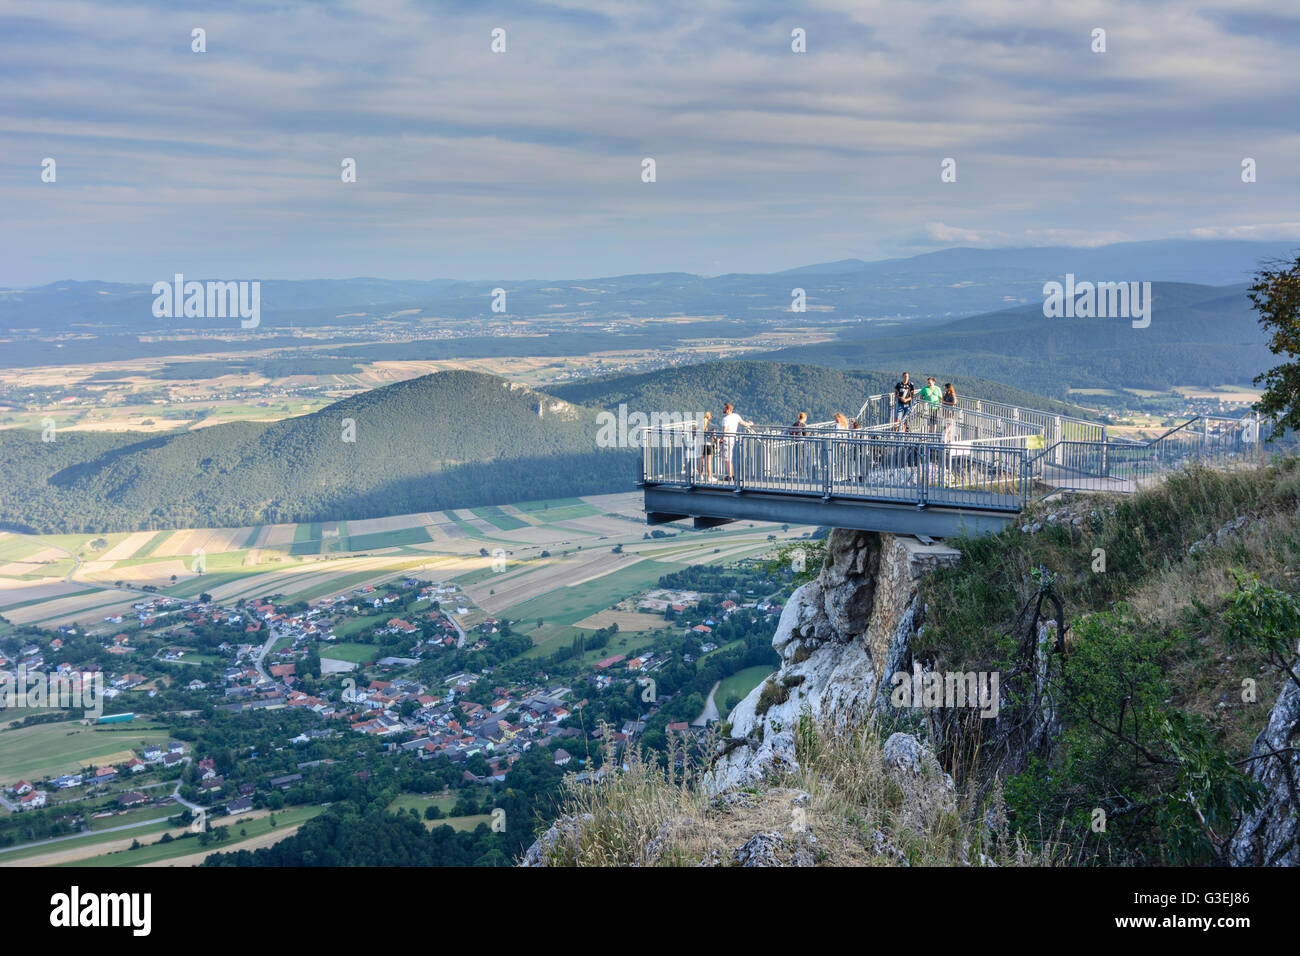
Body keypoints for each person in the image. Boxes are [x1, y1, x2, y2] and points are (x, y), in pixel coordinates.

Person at [720, 402, 753, 481]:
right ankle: (732, 475)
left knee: (727, 459)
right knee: (729, 457)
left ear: (728, 410)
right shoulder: (736, 416)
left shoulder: (725, 419)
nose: (723, 409)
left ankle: (730, 476)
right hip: (732, 440)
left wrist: (721, 439)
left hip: (726, 440)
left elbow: (724, 431)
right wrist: (750, 423)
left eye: (724, 408)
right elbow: (744, 424)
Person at [696, 411, 715, 481]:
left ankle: (700, 476)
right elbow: (714, 436)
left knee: (701, 460)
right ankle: (709, 477)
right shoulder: (712, 426)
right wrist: (716, 441)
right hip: (709, 444)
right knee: (709, 461)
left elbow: (693, 430)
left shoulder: (700, 424)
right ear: (710, 417)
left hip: (701, 444)